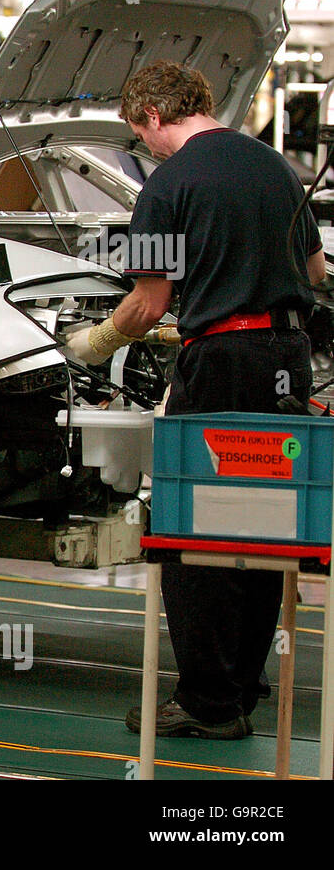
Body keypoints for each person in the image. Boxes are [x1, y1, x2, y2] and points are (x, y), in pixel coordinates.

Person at [65, 61, 326, 739]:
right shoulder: (274, 166)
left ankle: (209, 704)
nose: (143, 146)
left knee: (194, 530)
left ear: (151, 115)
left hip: (222, 366)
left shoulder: (166, 186)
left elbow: (147, 306)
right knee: (261, 522)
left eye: (137, 132)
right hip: (287, 360)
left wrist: (90, 344)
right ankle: (242, 681)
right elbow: (315, 271)